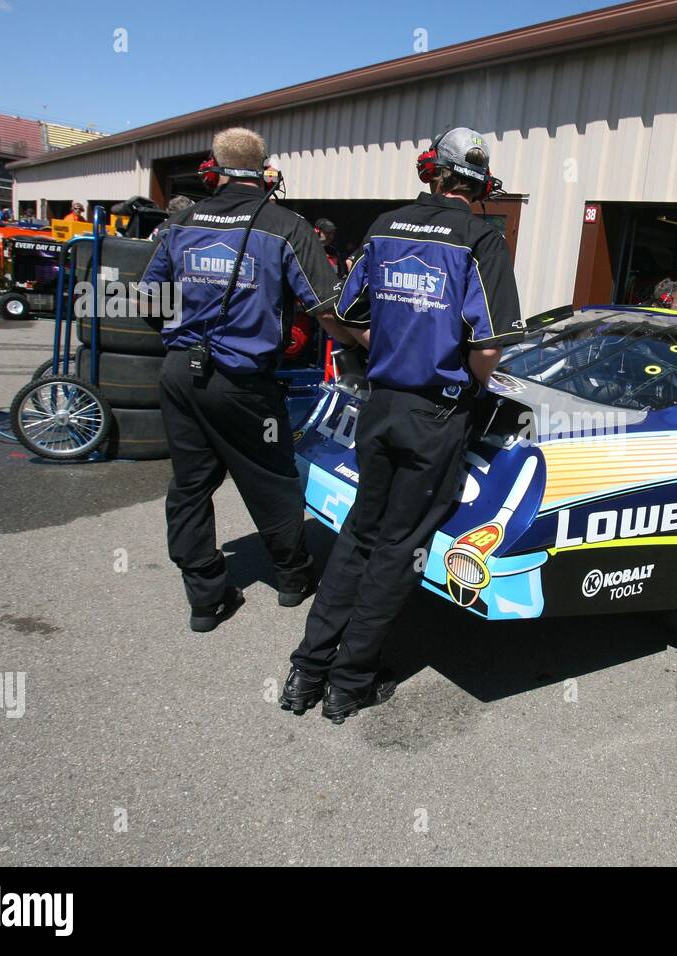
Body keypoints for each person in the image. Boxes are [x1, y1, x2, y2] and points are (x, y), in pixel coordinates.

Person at [283, 126, 523, 724]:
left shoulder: (385, 225)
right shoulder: (480, 238)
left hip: (380, 405)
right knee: (399, 548)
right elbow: (490, 347)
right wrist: (464, 379)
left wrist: (390, 344)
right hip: (436, 414)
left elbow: (340, 318)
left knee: (359, 533)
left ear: (430, 172)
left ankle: (306, 670)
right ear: (481, 184)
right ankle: (349, 682)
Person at [141, 127, 340, 633]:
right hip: (244, 380)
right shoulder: (285, 225)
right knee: (270, 477)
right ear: (265, 168)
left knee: (190, 483)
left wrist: (184, 327)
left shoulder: (181, 222)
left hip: (181, 373)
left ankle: (204, 600)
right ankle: (293, 579)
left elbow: (147, 300)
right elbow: (327, 306)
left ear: (215, 165)